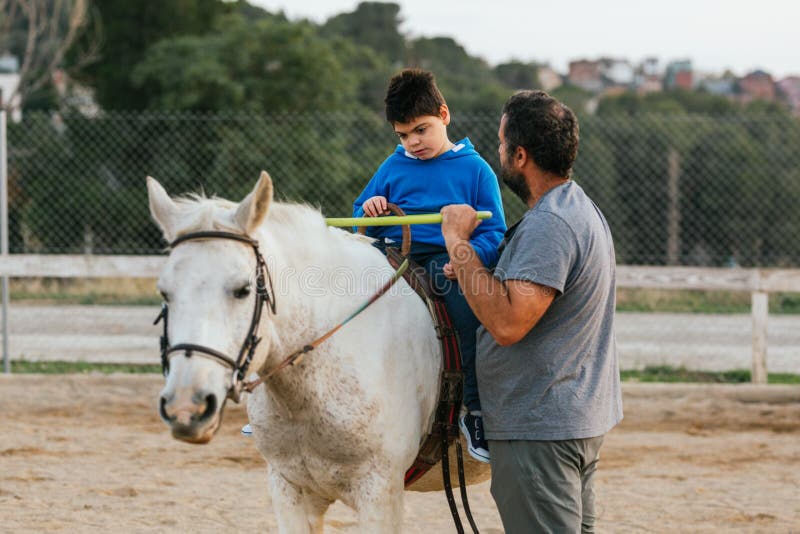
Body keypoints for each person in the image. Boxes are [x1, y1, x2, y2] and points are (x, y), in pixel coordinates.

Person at [440, 90, 623, 532]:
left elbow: (507, 323)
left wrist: (458, 243)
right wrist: (471, 269)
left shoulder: (551, 226)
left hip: (540, 433)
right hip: (569, 421)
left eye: (501, 144)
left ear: (520, 155)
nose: (497, 152)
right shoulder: (576, 208)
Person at [353, 68, 507, 463]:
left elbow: (495, 233)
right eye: (403, 135)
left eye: (421, 130)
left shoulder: (476, 170)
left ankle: (474, 412)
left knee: (465, 313)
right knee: (341, 294)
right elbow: (359, 216)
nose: (413, 143)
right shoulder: (393, 166)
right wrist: (370, 210)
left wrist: (469, 259)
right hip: (393, 254)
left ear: (444, 115)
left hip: (446, 261)